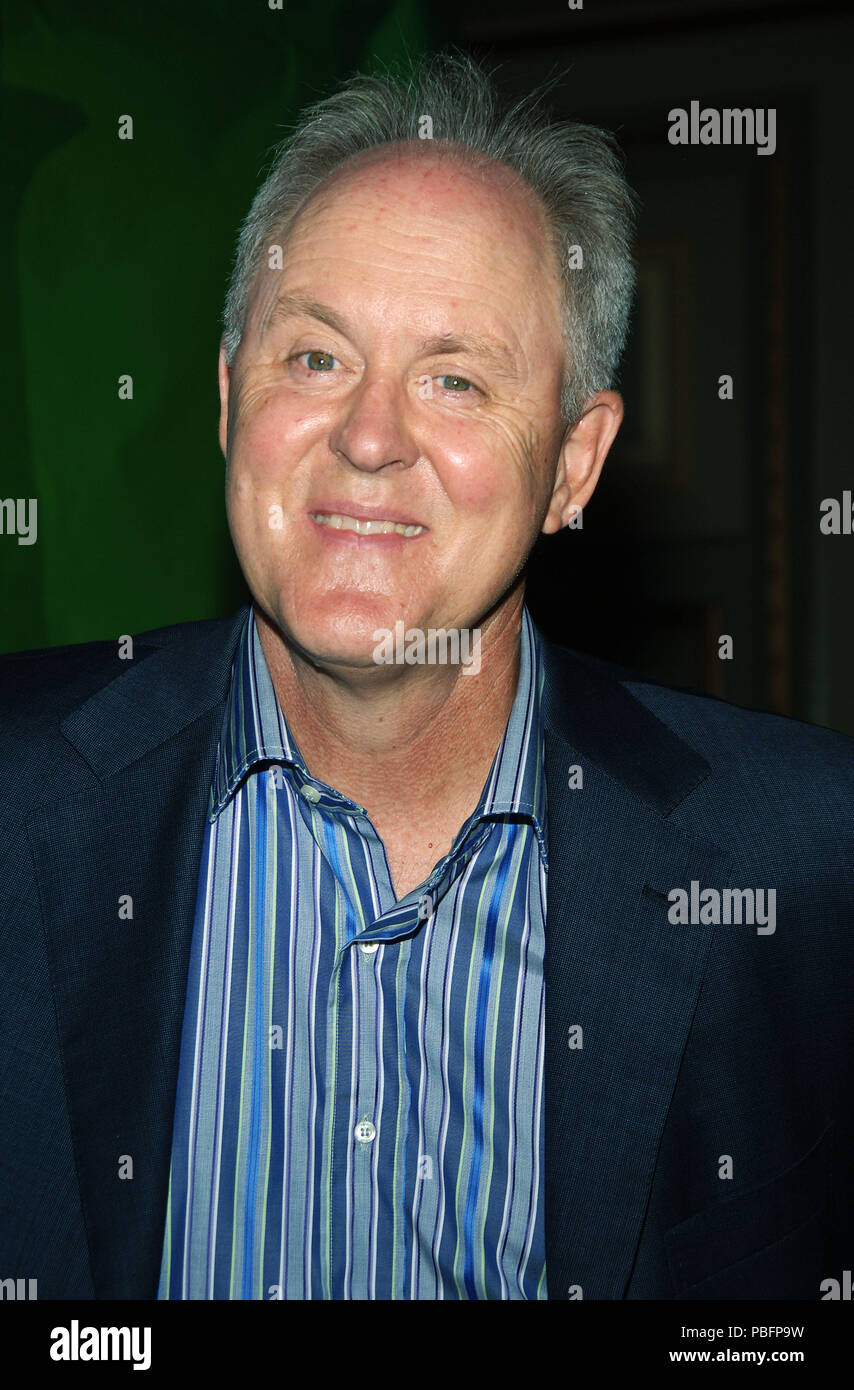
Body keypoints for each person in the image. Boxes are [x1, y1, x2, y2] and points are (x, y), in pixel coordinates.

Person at [1, 52, 851, 1301]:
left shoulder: (807, 864)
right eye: (314, 357)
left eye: (454, 379)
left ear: (573, 464)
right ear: (230, 401)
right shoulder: (18, 804)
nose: (367, 437)